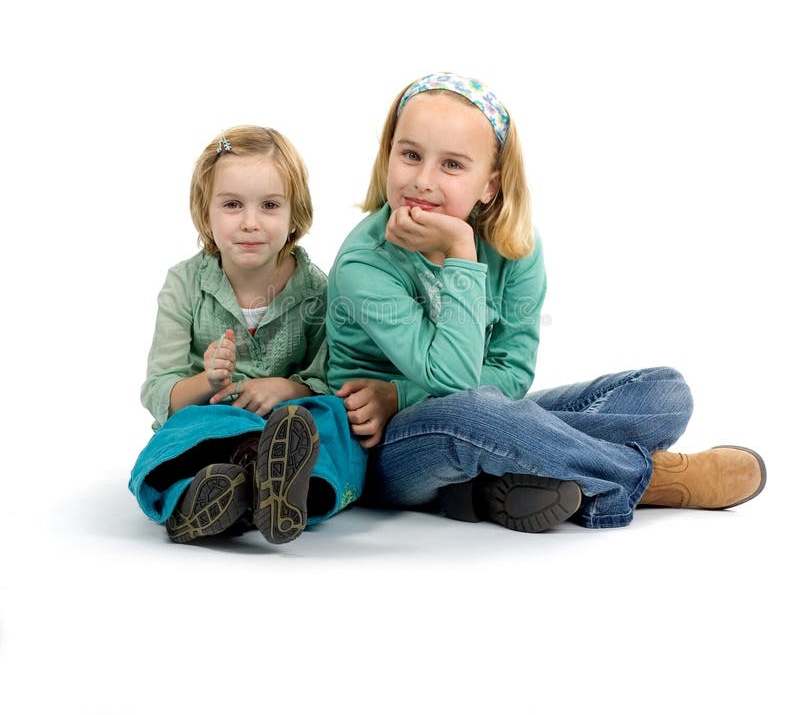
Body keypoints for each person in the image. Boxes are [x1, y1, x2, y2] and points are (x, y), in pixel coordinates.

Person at [325, 72, 766, 532]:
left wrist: (399, 394)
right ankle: (649, 479)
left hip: (477, 416)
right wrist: (460, 251)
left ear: (489, 185)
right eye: (410, 154)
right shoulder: (365, 263)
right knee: (476, 412)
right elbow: (454, 380)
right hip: (385, 451)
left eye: (452, 165)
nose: (422, 180)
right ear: (388, 155)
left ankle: (512, 476)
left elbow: (513, 375)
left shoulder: (516, 247)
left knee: (665, 392)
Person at [129, 126, 366, 544]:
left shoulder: (318, 290)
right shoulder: (184, 285)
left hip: (289, 426)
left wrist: (286, 388)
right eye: (233, 205)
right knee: (190, 430)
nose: (251, 223)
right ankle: (215, 493)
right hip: (211, 425)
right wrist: (208, 382)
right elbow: (159, 390)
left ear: (296, 214)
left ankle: (272, 489)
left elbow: (330, 378)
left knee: (330, 419)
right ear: (206, 213)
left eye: (270, 205)